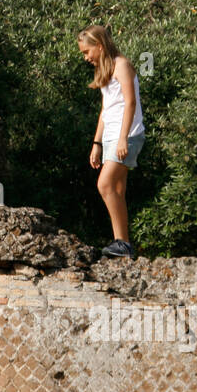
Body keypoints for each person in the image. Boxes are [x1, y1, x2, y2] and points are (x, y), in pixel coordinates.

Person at [77, 25, 145, 258]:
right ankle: (123, 244)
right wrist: (97, 144)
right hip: (110, 136)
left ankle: (122, 242)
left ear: (99, 45)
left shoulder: (122, 65)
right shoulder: (105, 71)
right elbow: (106, 110)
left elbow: (130, 103)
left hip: (127, 135)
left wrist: (123, 138)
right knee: (116, 188)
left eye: (87, 52)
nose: (86, 57)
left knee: (104, 184)